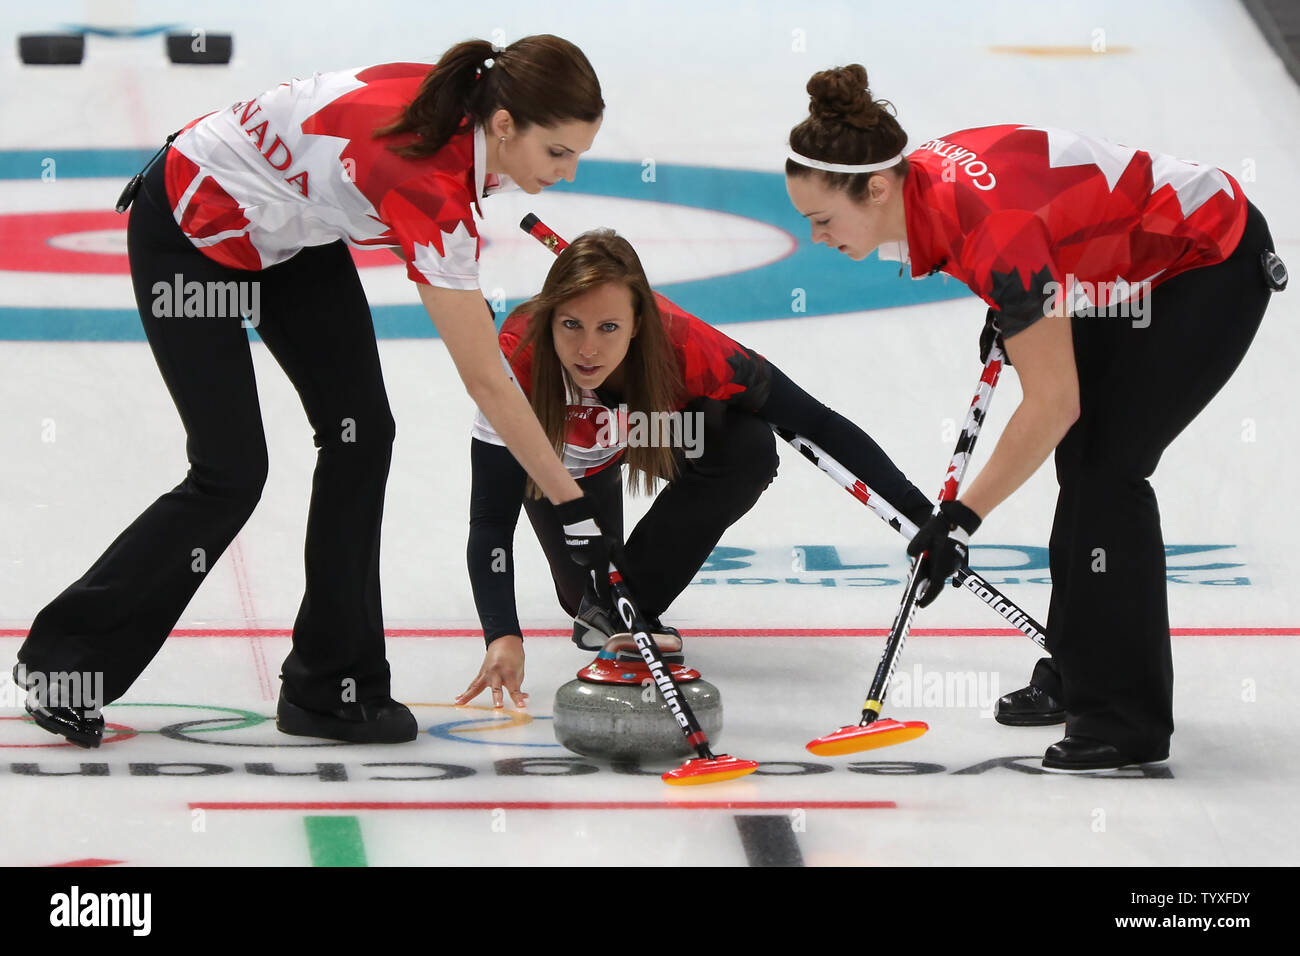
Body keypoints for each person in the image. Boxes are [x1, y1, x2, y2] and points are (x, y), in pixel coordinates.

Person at [15, 35, 621, 748]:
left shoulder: (468, 100)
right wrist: (572, 506)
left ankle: (332, 687)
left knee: (362, 432)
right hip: (188, 228)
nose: (570, 173)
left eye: (580, 153)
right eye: (558, 153)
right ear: (505, 125)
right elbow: (487, 378)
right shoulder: (427, 185)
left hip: (286, 232)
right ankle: (66, 663)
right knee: (230, 473)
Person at [783, 64, 1285, 772]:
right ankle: (1082, 665)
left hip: (1208, 259)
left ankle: (1126, 718)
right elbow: (1035, 225)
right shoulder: (922, 180)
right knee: (1082, 459)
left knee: (1107, 466)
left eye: (822, 220)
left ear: (875, 187)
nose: (815, 238)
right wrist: (1015, 306)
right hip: (1123, 265)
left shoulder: (994, 231)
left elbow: (1053, 402)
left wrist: (957, 522)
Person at [455, 229, 937, 708]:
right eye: (571, 325)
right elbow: (492, 520)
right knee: (584, 597)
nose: (587, 350)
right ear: (550, 321)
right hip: (561, 466)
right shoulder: (517, 357)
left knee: (746, 444)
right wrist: (502, 634)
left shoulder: (691, 349)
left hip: (646, 430)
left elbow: (816, 423)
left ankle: (624, 606)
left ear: (639, 325)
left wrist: (925, 518)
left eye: (609, 328)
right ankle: (604, 601)